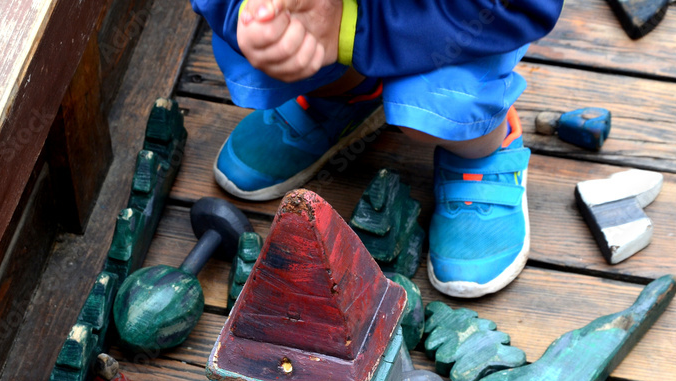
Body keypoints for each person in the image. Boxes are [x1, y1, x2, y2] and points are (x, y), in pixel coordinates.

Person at [190, 0, 564, 297]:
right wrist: (250, 17)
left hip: (452, 21)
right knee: (264, 34)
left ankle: (482, 142)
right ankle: (350, 93)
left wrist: (351, 29)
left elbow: (519, 5)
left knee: (443, 99)